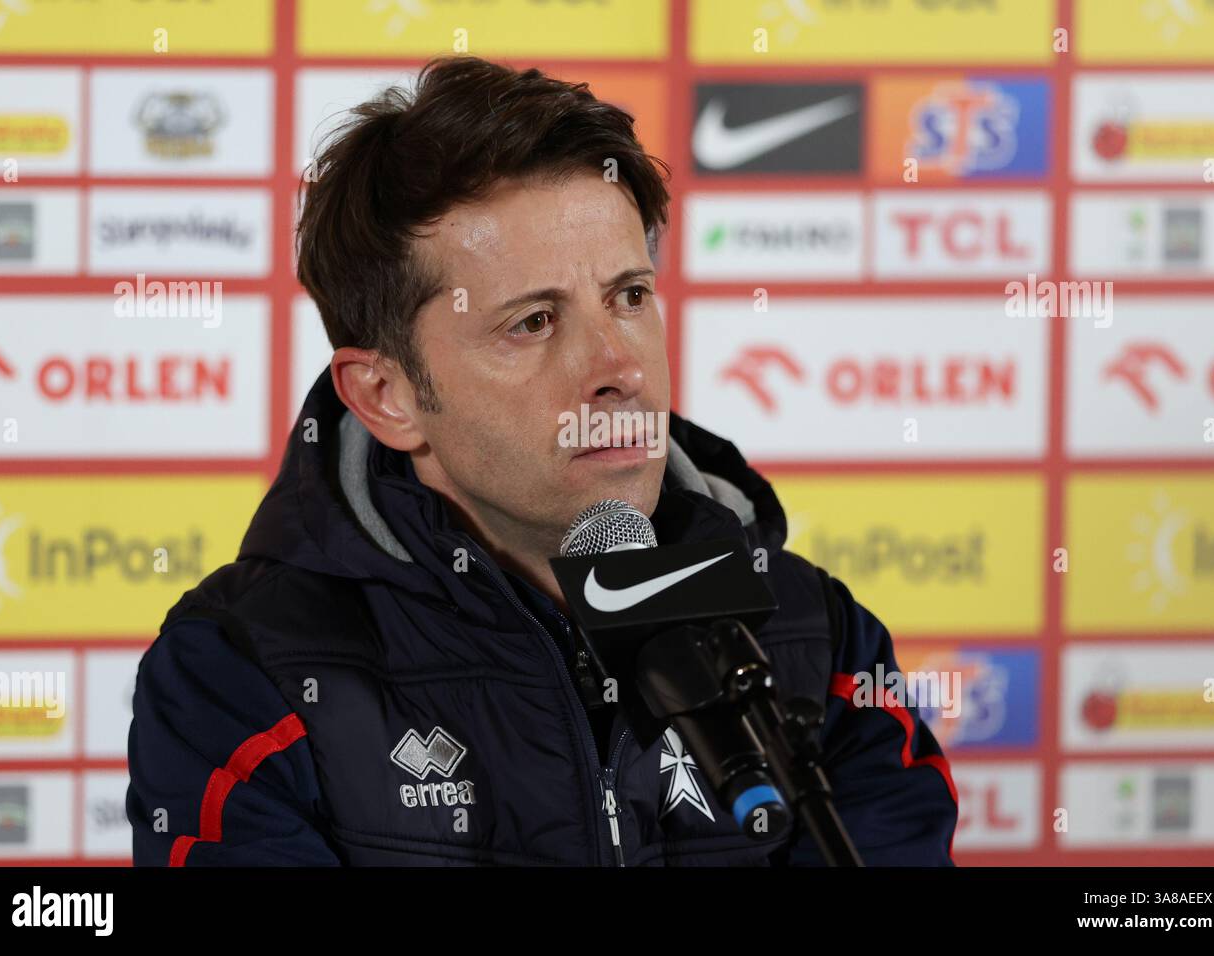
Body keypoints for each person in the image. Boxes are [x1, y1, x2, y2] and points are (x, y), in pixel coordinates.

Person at [126, 54, 958, 866]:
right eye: (532, 322)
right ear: (386, 396)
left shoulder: (815, 634)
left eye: (629, 297)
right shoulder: (241, 673)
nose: (620, 370)